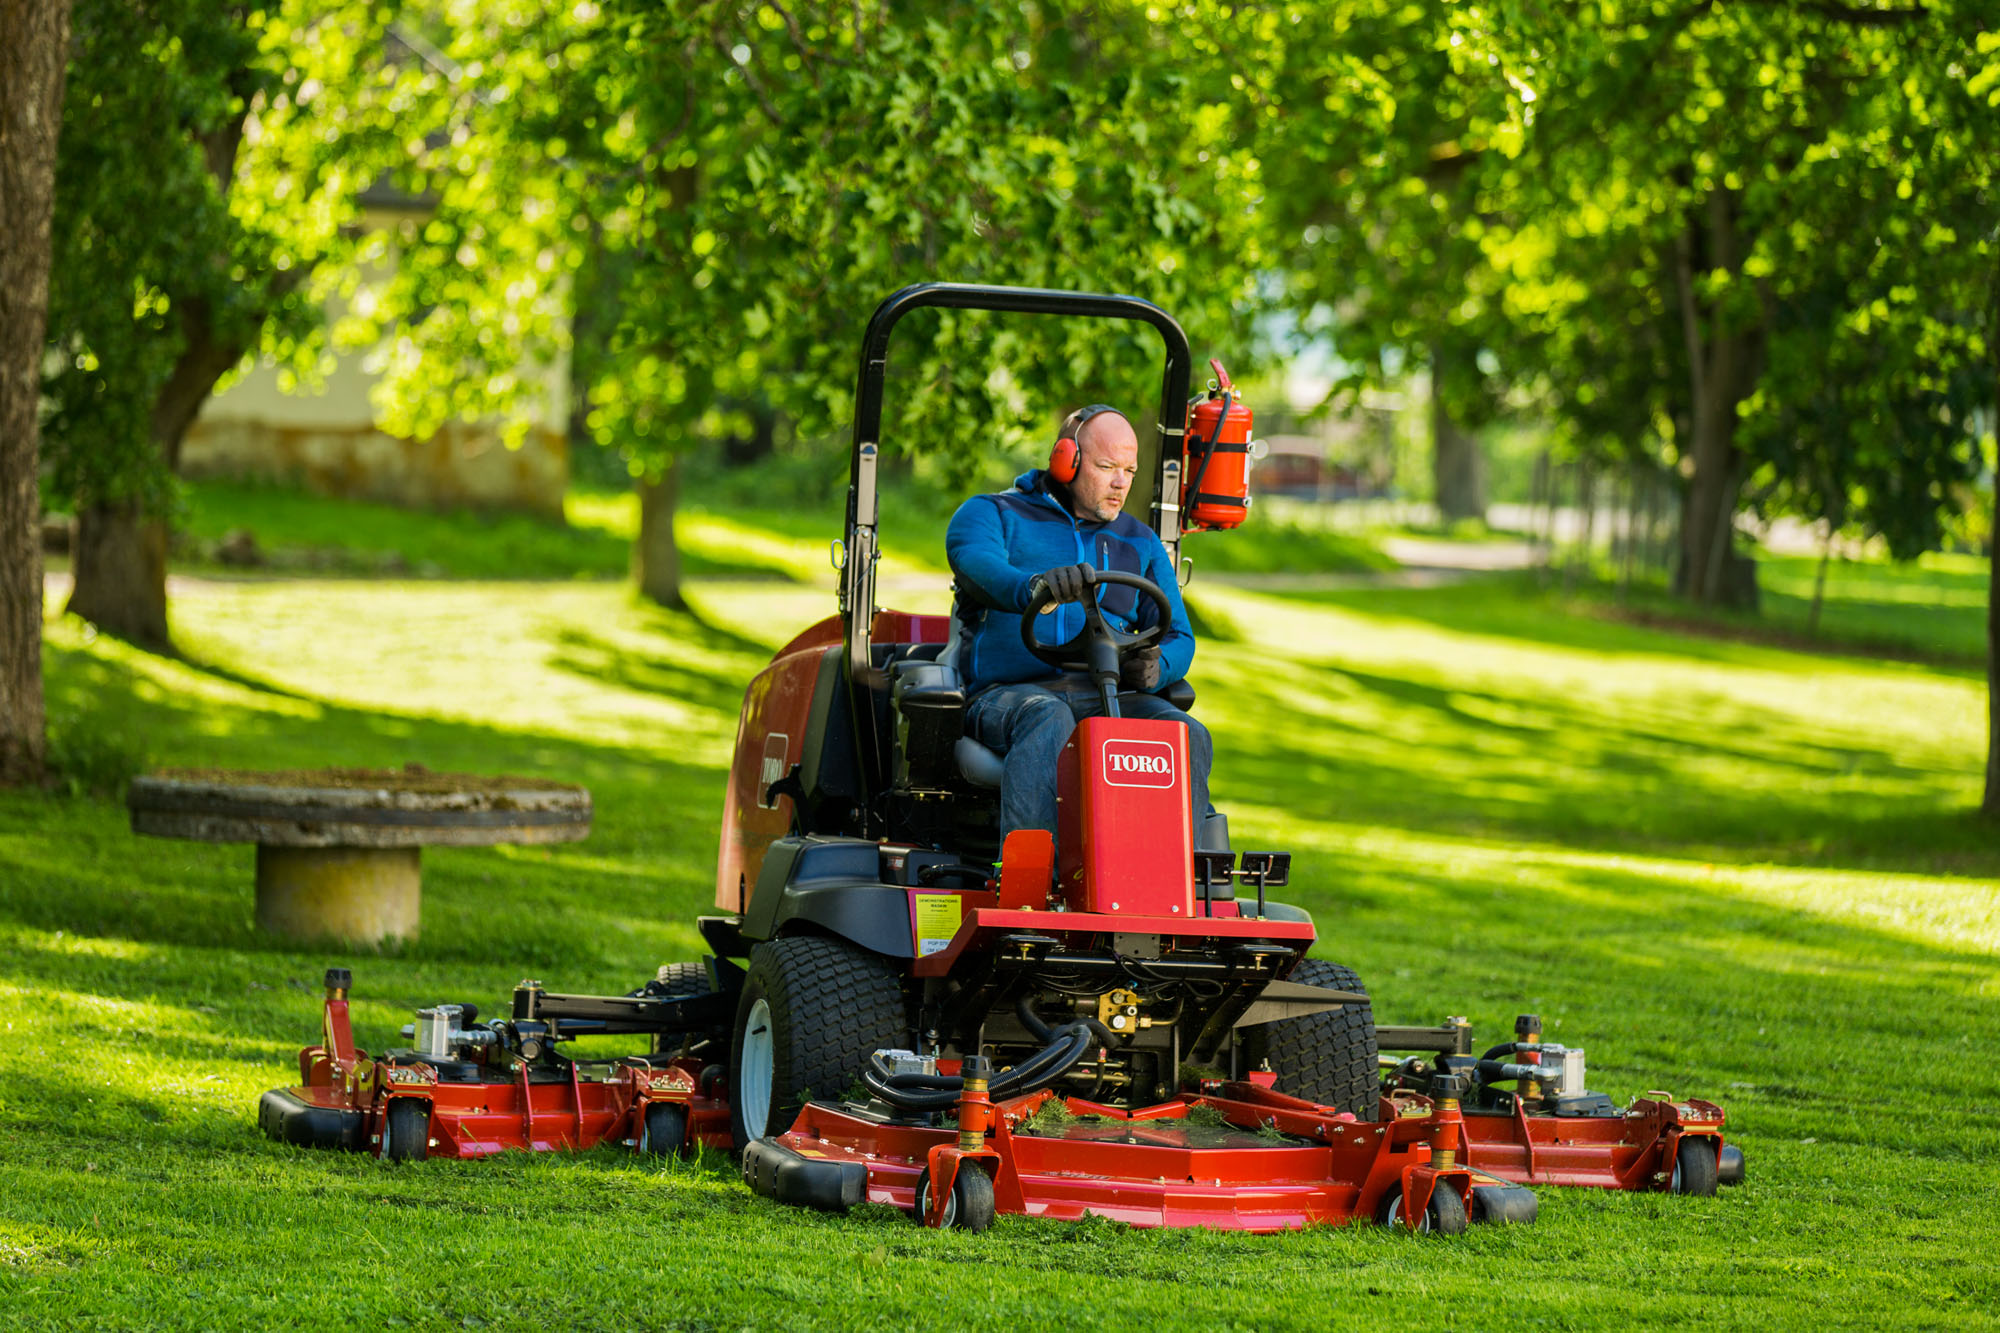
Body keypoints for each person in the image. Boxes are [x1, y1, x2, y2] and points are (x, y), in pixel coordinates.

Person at [944, 403, 1212, 848]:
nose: (1121, 482)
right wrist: (1033, 587)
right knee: (1049, 715)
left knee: (1186, 734)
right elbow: (976, 562)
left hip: (1108, 694)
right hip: (1008, 696)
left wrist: (1158, 666)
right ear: (1066, 460)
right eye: (1107, 467)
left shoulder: (1140, 541)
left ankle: (1176, 888)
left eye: (1129, 469)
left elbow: (1179, 636)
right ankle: (1027, 885)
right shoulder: (992, 514)